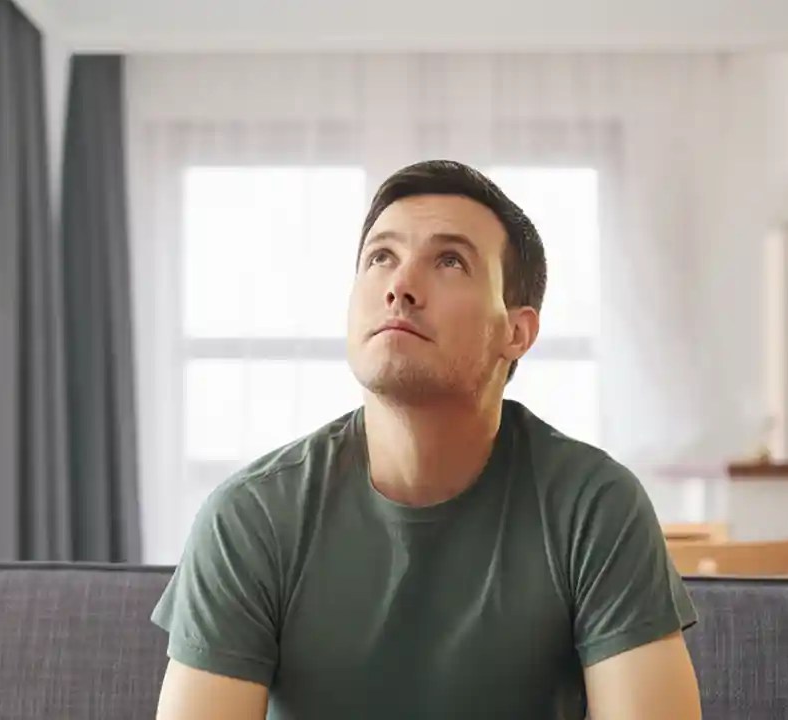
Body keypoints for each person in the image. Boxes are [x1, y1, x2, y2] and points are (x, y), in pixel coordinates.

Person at [152, 160, 702, 719]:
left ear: (516, 331)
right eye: (380, 257)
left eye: (449, 261)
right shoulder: (252, 517)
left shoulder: (593, 506)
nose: (400, 286)